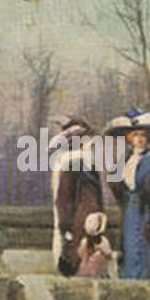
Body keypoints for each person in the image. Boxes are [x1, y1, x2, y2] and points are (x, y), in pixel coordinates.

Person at [106, 109, 150, 280]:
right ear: (129, 138)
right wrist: (123, 194)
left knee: (146, 244)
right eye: (135, 135)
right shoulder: (124, 160)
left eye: (143, 135)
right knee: (130, 244)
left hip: (146, 208)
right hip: (129, 207)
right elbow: (114, 182)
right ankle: (130, 277)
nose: (140, 139)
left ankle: (146, 277)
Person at [49, 115, 104, 276]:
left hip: (90, 220)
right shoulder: (72, 164)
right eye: (87, 140)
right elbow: (63, 199)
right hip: (77, 221)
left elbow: (95, 195)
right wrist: (65, 225)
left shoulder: (88, 163)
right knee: (76, 258)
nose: (91, 143)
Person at [75, 212, 117, 279]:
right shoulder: (102, 242)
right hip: (94, 273)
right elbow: (109, 254)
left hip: (87, 272)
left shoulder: (85, 242)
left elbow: (80, 253)